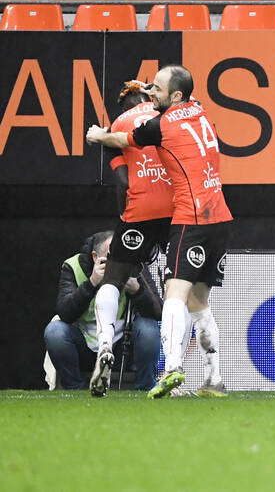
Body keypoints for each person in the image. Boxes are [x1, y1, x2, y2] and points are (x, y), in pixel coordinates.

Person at [86, 65, 232, 399]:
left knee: (162, 291)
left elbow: (122, 146)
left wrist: (98, 135)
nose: (154, 94)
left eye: (159, 89)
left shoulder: (155, 123)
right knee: (200, 303)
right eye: (150, 89)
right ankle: (215, 377)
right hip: (219, 216)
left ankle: (164, 366)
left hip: (179, 216)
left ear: (174, 96)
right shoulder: (201, 113)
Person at [87, 80, 174, 397]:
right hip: (176, 210)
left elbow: (122, 181)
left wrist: (126, 215)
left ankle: (105, 344)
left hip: (139, 210)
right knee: (180, 287)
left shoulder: (117, 127)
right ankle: (177, 367)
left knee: (112, 279)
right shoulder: (169, 116)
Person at [44, 231, 162, 391]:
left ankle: (146, 387)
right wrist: (91, 283)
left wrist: (138, 291)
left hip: (122, 346)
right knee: (55, 331)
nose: (116, 266)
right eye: (110, 260)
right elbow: (64, 312)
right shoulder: (73, 266)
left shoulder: (133, 265)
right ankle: (74, 389)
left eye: (119, 259)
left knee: (148, 327)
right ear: (94, 257)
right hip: (84, 344)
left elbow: (158, 312)